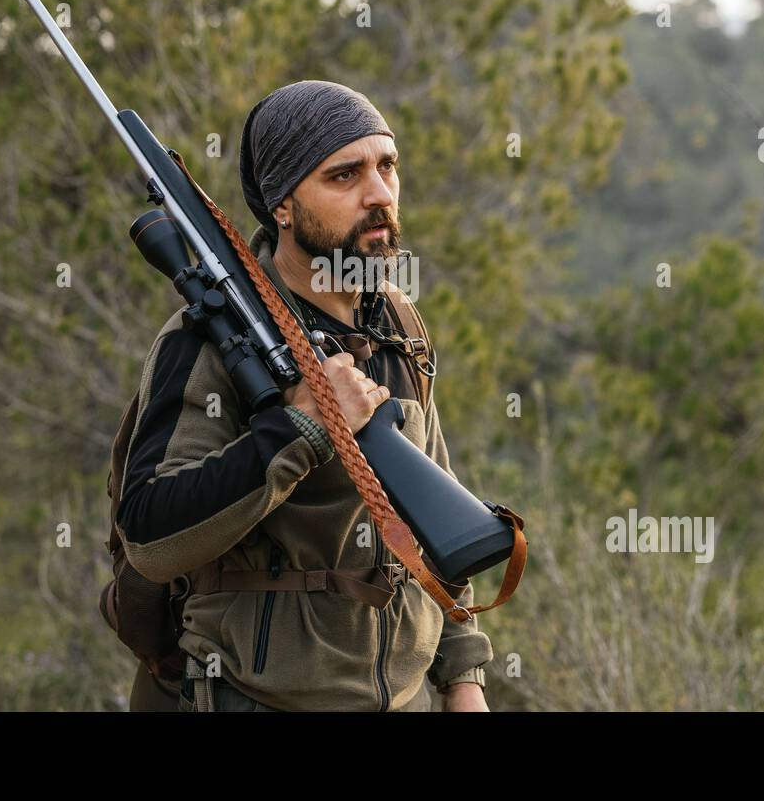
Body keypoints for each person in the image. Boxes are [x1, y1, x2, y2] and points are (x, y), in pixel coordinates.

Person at [115, 80, 491, 711]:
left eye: (386, 166)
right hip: (256, 697)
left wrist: (462, 678)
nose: (379, 195)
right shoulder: (206, 342)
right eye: (344, 176)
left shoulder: (396, 321)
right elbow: (152, 539)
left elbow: (436, 509)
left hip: (403, 700)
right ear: (283, 205)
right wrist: (304, 428)